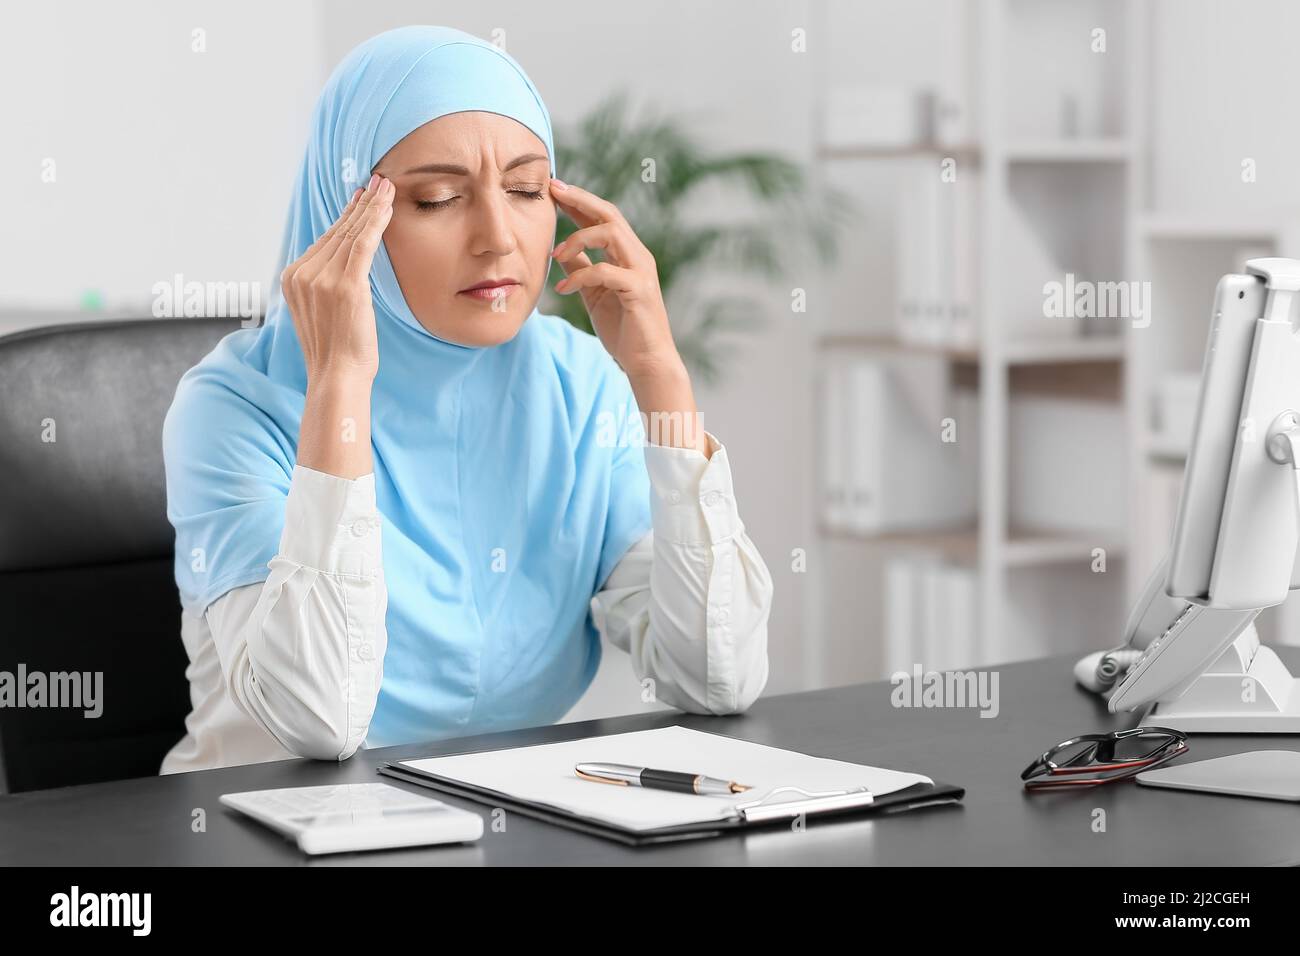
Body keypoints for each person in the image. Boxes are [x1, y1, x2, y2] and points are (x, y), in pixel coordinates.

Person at [159, 25, 773, 773]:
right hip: (258, 826)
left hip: (505, 825)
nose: (497, 237)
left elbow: (717, 677)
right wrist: (342, 384)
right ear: (342, 215)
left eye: (524, 189)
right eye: (438, 199)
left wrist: (659, 377)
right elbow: (319, 720)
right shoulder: (230, 410)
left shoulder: (577, 387)